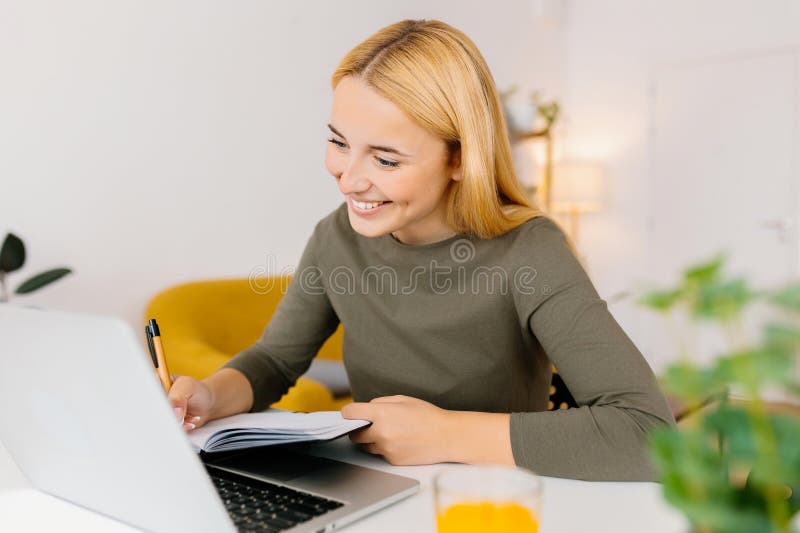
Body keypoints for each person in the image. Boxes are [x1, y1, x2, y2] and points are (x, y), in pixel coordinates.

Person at [167, 19, 674, 481]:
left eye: (386, 160)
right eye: (339, 142)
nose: (349, 179)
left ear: (461, 159)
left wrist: (446, 434)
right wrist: (212, 395)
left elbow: (650, 433)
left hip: (492, 498)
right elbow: (276, 361)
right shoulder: (335, 237)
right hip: (375, 489)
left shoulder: (529, 251)